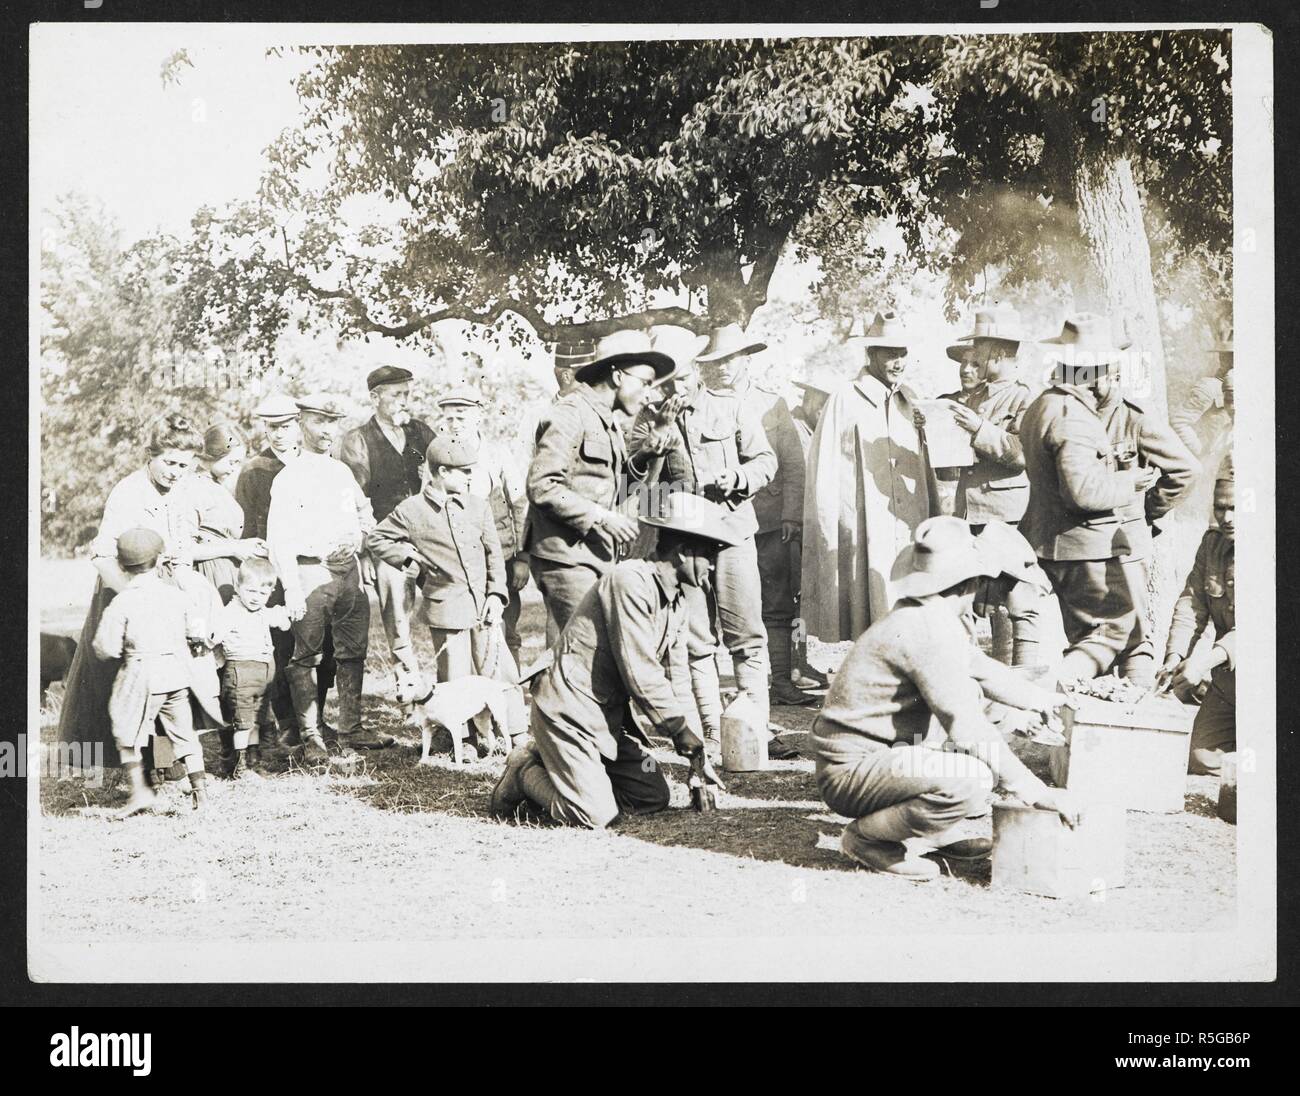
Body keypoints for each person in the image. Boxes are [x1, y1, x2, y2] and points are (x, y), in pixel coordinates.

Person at [812, 517, 1079, 880]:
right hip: (852, 773)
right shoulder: (928, 630)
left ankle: (929, 833)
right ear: (973, 582)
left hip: (881, 759)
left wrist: (1039, 699)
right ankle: (867, 839)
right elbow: (965, 724)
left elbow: (980, 667)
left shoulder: (928, 616)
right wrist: (1034, 791)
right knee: (970, 778)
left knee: (967, 736)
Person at [490, 492, 736, 829]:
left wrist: (695, 751)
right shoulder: (630, 582)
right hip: (568, 711)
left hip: (602, 719)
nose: (712, 566)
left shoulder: (676, 602)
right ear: (685, 551)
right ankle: (524, 775)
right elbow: (640, 671)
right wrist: (680, 733)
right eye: (710, 556)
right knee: (595, 815)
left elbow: (677, 678)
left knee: (650, 796)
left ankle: (556, 764)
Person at [628, 323, 782, 748]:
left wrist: (738, 476)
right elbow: (631, 482)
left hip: (732, 530)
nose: (675, 386)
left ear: (696, 369)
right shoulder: (647, 419)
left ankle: (753, 727)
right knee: (696, 641)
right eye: (664, 380)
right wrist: (650, 448)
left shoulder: (729, 406)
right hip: (681, 543)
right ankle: (714, 728)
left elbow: (765, 460)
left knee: (747, 636)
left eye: (680, 375)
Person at [57, 412, 205, 774]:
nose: (175, 471)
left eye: (184, 465)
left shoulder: (183, 490)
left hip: (166, 589)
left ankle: (169, 763)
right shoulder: (128, 492)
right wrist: (135, 598)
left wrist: (189, 597)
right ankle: (126, 767)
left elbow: (182, 551)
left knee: (169, 672)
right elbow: (103, 556)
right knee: (127, 681)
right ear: (150, 456)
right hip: (124, 590)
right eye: (169, 462)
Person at [366, 427, 524, 760]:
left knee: (499, 666)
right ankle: (463, 739)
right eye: (464, 472)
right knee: (455, 675)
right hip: (446, 607)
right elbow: (377, 539)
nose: (470, 478)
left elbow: (494, 554)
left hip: (484, 607)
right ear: (441, 473)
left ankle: (516, 732)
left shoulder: (479, 506)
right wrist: (409, 558)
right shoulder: (412, 510)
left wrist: (496, 595)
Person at [1019, 313, 1162, 681]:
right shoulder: (1074, 416)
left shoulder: (1042, 405)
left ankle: (1095, 718)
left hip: (1053, 545)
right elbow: (1083, 491)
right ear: (1093, 370)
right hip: (1087, 549)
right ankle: (1050, 691)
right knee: (1112, 632)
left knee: (1098, 635)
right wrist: (1129, 482)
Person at [525, 329, 675, 634]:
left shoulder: (606, 420)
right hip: (566, 558)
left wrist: (646, 453)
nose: (650, 394)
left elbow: (615, 493)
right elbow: (542, 485)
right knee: (586, 652)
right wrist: (602, 517)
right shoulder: (571, 413)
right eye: (645, 383)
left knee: (590, 656)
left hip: (592, 554)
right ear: (618, 376)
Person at [802, 310, 938, 641]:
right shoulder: (844, 399)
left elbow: (928, 468)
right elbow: (824, 470)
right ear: (871, 354)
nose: (898, 361)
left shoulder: (913, 400)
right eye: (890, 353)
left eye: (902, 353)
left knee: (911, 604)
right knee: (869, 606)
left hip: (906, 522)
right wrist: (832, 524)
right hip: (864, 523)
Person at [267, 393, 387, 761]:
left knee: (353, 651)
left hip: (348, 572)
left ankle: (351, 728)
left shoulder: (341, 471)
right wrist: (291, 589)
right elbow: (278, 540)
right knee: (307, 656)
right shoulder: (288, 477)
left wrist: (359, 538)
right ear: (300, 422)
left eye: (333, 422)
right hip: (308, 571)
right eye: (320, 421)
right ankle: (311, 736)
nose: (327, 430)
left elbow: (367, 516)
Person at [709, 324, 816, 708]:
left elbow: (792, 463)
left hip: (769, 519)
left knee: (776, 600)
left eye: (730, 360)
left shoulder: (772, 405)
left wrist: (791, 515)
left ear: (745, 360)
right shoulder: (705, 403)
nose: (723, 368)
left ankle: (782, 680)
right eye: (717, 361)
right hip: (721, 519)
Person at [92, 528, 220, 815]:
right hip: (176, 672)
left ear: (122, 566)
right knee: (185, 734)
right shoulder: (176, 596)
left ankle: (140, 793)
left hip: (141, 674)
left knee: (126, 732)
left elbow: (106, 648)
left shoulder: (122, 601)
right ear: (161, 559)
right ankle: (200, 793)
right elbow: (197, 630)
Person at [937, 306, 1036, 664]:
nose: (973, 359)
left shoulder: (1026, 399)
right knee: (975, 597)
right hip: (970, 511)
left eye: (978, 350)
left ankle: (1013, 676)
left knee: (1007, 600)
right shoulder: (976, 396)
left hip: (1004, 514)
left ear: (996, 353)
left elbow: (1022, 453)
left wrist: (979, 429)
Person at [1093, 356, 1200, 686]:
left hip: (1125, 543)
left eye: (1099, 375)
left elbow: (1186, 470)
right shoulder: (1074, 417)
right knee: (1094, 633)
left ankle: (1136, 712)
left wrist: (1147, 511)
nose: (1091, 384)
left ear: (1115, 375)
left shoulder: (1134, 418)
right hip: (1084, 546)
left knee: (1133, 635)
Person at [234, 394, 326, 747]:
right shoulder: (255, 470)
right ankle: (287, 722)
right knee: (281, 647)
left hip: (314, 570)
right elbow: (247, 530)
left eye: (286, 426)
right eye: (272, 427)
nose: (279, 434)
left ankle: (316, 721)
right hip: (273, 571)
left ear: (299, 425)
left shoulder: (317, 465)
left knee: (318, 649)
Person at [337, 366, 436, 677]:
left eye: (407, 394)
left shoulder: (421, 432)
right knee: (398, 620)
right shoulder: (358, 440)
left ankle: (450, 686)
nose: (404, 401)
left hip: (431, 537)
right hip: (389, 542)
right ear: (375, 397)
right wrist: (365, 551)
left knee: (448, 605)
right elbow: (355, 500)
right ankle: (408, 688)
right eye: (396, 395)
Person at [434, 385, 531, 670]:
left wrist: (523, 557)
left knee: (505, 628)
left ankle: (508, 695)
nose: (454, 424)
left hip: (499, 558)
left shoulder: (498, 454)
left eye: (461, 417)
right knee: (462, 633)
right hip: (457, 562)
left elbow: (520, 504)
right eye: (449, 418)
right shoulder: (437, 455)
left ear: (478, 417)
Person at [1159, 457, 1235, 775]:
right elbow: (1192, 604)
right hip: (1230, 684)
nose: (1227, 517)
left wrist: (1202, 664)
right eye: (1220, 507)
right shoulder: (1212, 544)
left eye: (1235, 507)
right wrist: (1175, 656)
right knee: (1201, 758)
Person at [214, 557, 292, 778]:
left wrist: (285, 614)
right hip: (241, 673)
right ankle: (239, 767)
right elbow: (215, 634)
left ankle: (254, 760)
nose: (256, 598)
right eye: (251, 591)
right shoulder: (231, 612)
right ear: (238, 588)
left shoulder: (261, 611)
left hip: (263, 673)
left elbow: (283, 622)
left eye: (262, 594)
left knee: (256, 720)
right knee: (244, 723)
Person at [190, 422, 266, 605]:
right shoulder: (194, 487)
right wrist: (234, 548)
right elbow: (185, 548)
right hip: (207, 576)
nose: (235, 469)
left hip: (224, 574)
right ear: (212, 455)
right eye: (232, 462)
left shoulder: (214, 486)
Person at [1171, 329, 1234, 460]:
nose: (1231, 360)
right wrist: (1202, 455)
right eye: (1229, 356)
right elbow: (1179, 422)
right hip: (1219, 460)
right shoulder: (1209, 387)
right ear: (1222, 358)